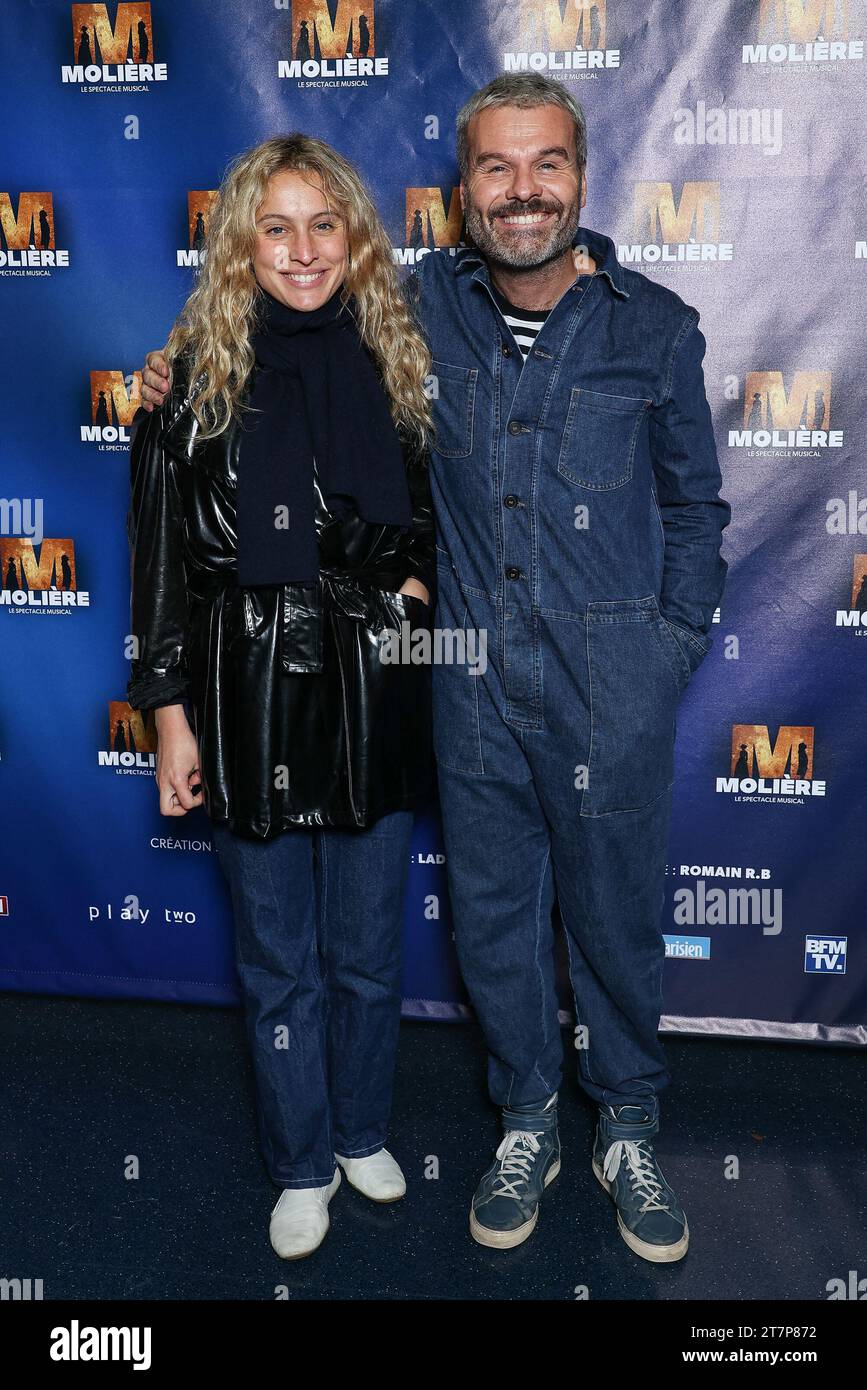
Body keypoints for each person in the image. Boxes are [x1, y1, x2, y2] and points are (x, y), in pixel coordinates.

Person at [141, 74, 732, 1266]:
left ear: (580, 173)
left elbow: (696, 508)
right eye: (496, 170)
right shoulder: (411, 312)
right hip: (428, 683)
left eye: (546, 164)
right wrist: (163, 381)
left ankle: (625, 1125)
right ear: (460, 192)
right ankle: (522, 1121)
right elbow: (245, 381)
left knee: (609, 923)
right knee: (493, 925)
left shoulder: (641, 326)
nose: (523, 192)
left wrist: (665, 650)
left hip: (558, 681)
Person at [127, 133, 436, 1260]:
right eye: (277, 227)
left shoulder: (397, 362)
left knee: (363, 951)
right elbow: (159, 564)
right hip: (245, 689)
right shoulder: (186, 383)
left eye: (324, 225)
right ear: (239, 243)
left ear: (353, 237)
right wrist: (168, 714)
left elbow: (440, 537)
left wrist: (408, 595)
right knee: (277, 962)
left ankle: (360, 1132)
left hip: (374, 690)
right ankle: (301, 1161)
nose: (303, 250)